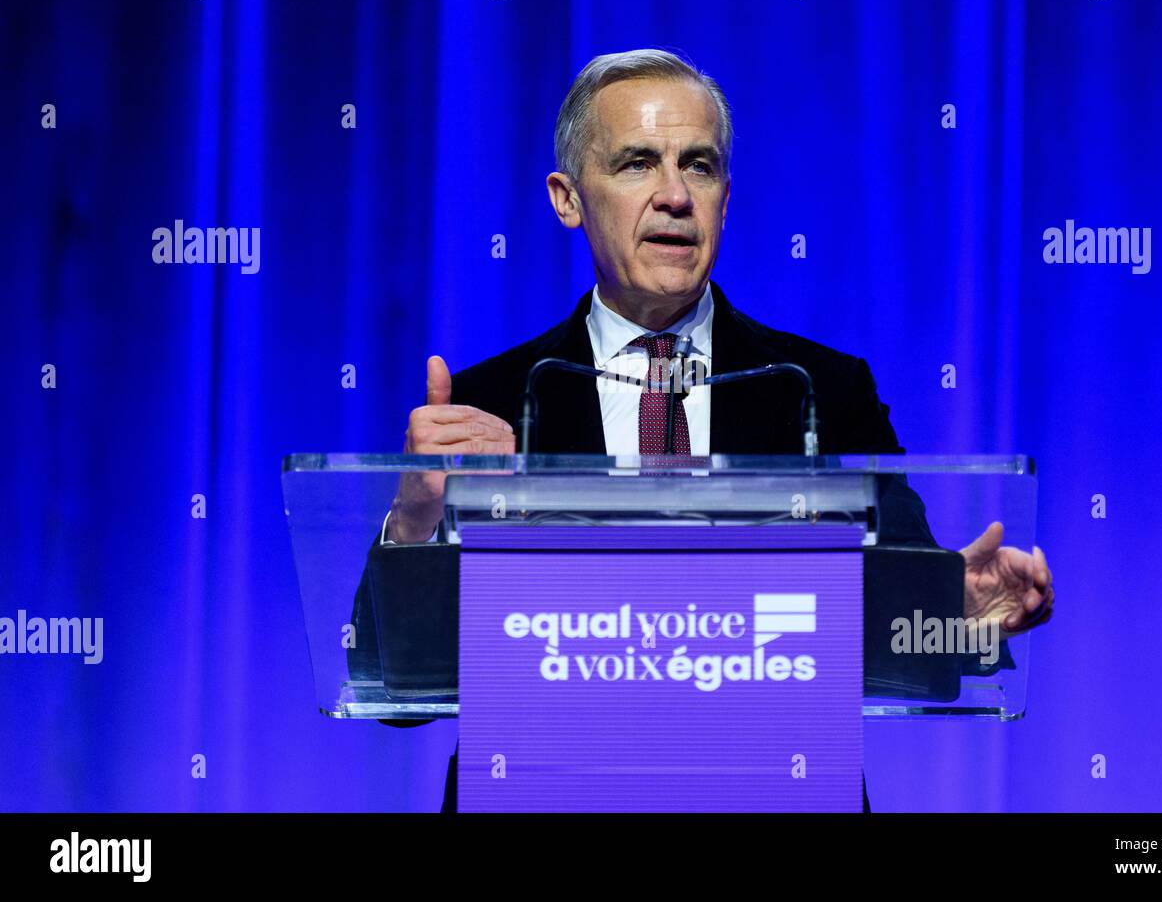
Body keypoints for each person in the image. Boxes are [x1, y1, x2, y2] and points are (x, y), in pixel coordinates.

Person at [355, 49, 1055, 812]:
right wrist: (415, 521)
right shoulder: (488, 402)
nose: (674, 196)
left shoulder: (819, 391)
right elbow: (396, 691)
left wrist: (958, 622)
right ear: (567, 198)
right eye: (635, 164)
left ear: (726, 195)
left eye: (699, 166)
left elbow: (900, 642)